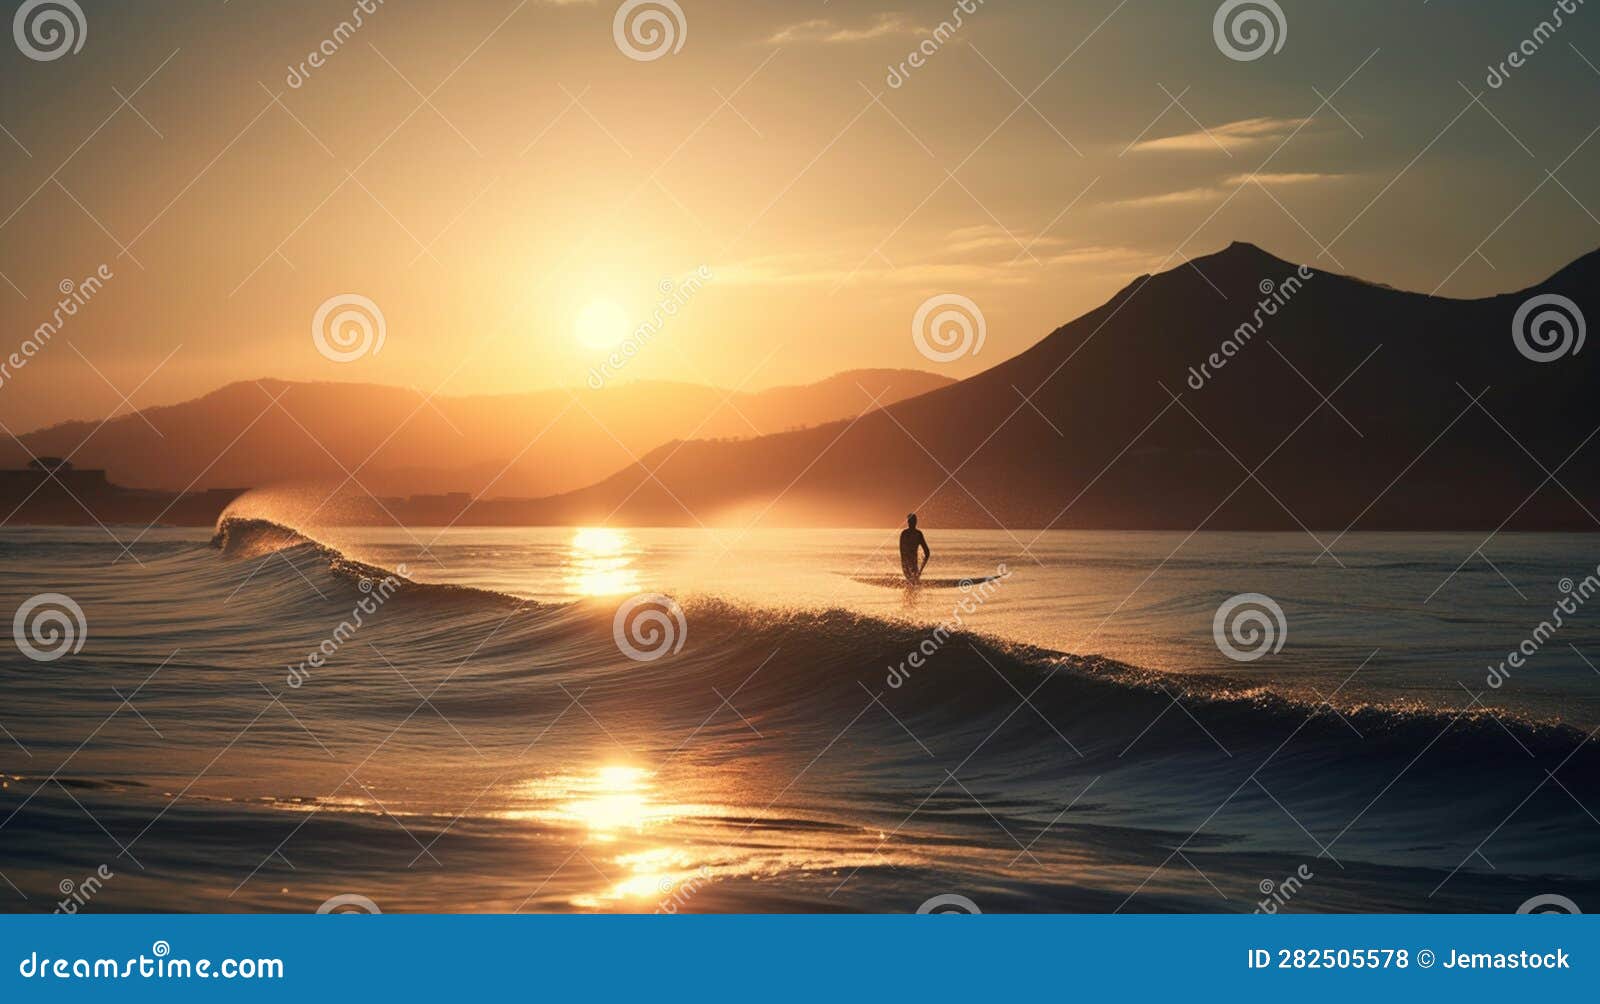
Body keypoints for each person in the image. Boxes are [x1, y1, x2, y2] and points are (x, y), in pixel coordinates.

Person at [899, 513, 930, 584]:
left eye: (913, 521)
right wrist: (904, 564)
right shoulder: (905, 533)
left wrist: (921, 569)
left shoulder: (918, 534)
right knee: (912, 582)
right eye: (911, 521)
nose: (912, 523)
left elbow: (927, 552)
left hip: (912, 564)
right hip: (906, 564)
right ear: (908, 522)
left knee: (913, 582)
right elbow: (902, 551)